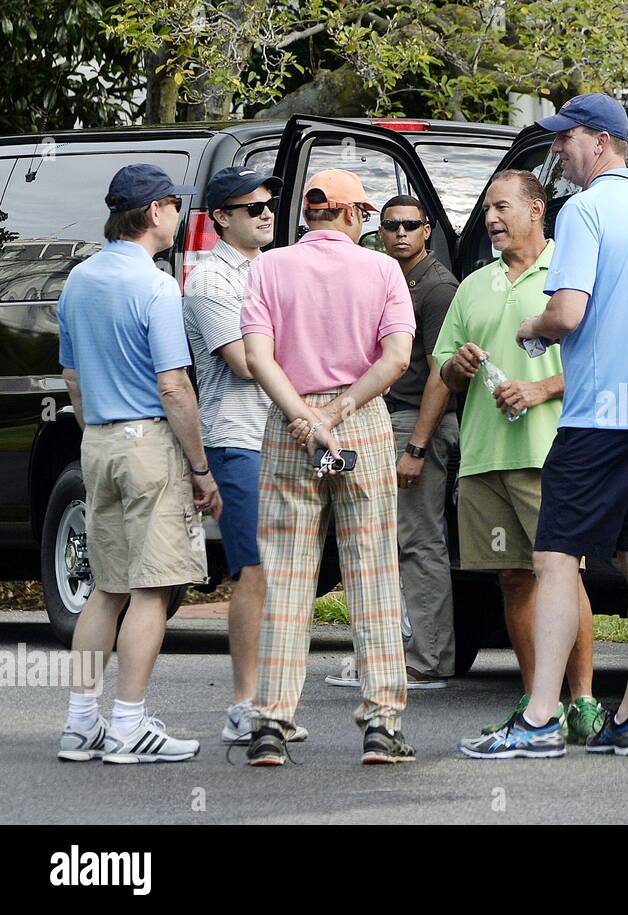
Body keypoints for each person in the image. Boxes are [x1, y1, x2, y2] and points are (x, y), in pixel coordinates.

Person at [461, 93, 628, 759]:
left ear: (599, 141)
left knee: (554, 557)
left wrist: (532, 329)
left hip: (600, 414)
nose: (558, 151)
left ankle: (537, 719)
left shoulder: (586, 210)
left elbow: (566, 314)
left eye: (566, 139)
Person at [240, 168, 416, 766]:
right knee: (372, 570)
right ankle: (382, 724)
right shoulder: (383, 269)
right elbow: (397, 357)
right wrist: (339, 410)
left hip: (291, 424)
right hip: (360, 418)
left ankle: (271, 722)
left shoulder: (268, 266)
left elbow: (258, 357)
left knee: (288, 576)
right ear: (350, 214)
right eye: (365, 214)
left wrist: (303, 415)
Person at [56, 164, 220, 764]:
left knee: (107, 588)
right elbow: (174, 386)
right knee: (154, 589)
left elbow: (71, 377)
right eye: (176, 206)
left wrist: (96, 428)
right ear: (154, 212)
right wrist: (200, 469)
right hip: (148, 441)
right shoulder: (156, 286)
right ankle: (128, 726)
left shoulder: (77, 279)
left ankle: (81, 724)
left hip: (96, 439)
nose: (179, 217)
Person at [440, 171, 604, 753]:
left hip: (551, 452)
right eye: (487, 209)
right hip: (483, 458)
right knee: (513, 580)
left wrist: (540, 390)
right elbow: (442, 365)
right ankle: (542, 704)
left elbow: (604, 360)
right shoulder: (473, 285)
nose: (491, 218)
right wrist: (455, 365)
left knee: (564, 574)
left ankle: (584, 700)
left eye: (502, 207)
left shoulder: (572, 273)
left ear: (537, 209)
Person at [184, 166, 308, 746]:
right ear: (221, 219)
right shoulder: (210, 280)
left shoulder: (271, 269)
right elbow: (243, 361)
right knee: (253, 571)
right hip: (238, 438)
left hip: (280, 435)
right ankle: (244, 703)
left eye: (267, 205)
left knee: (283, 573)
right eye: (250, 207)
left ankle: (273, 701)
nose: (264, 213)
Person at [325, 194, 458, 690]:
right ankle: (392, 653)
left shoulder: (438, 289)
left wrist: (418, 446)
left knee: (419, 542)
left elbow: (442, 375)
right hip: (385, 418)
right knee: (384, 542)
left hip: (415, 424)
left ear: (427, 231)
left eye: (410, 225)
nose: (400, 233)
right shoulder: (389, 278)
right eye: (390, 225)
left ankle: (426, 660)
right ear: (378, 232)